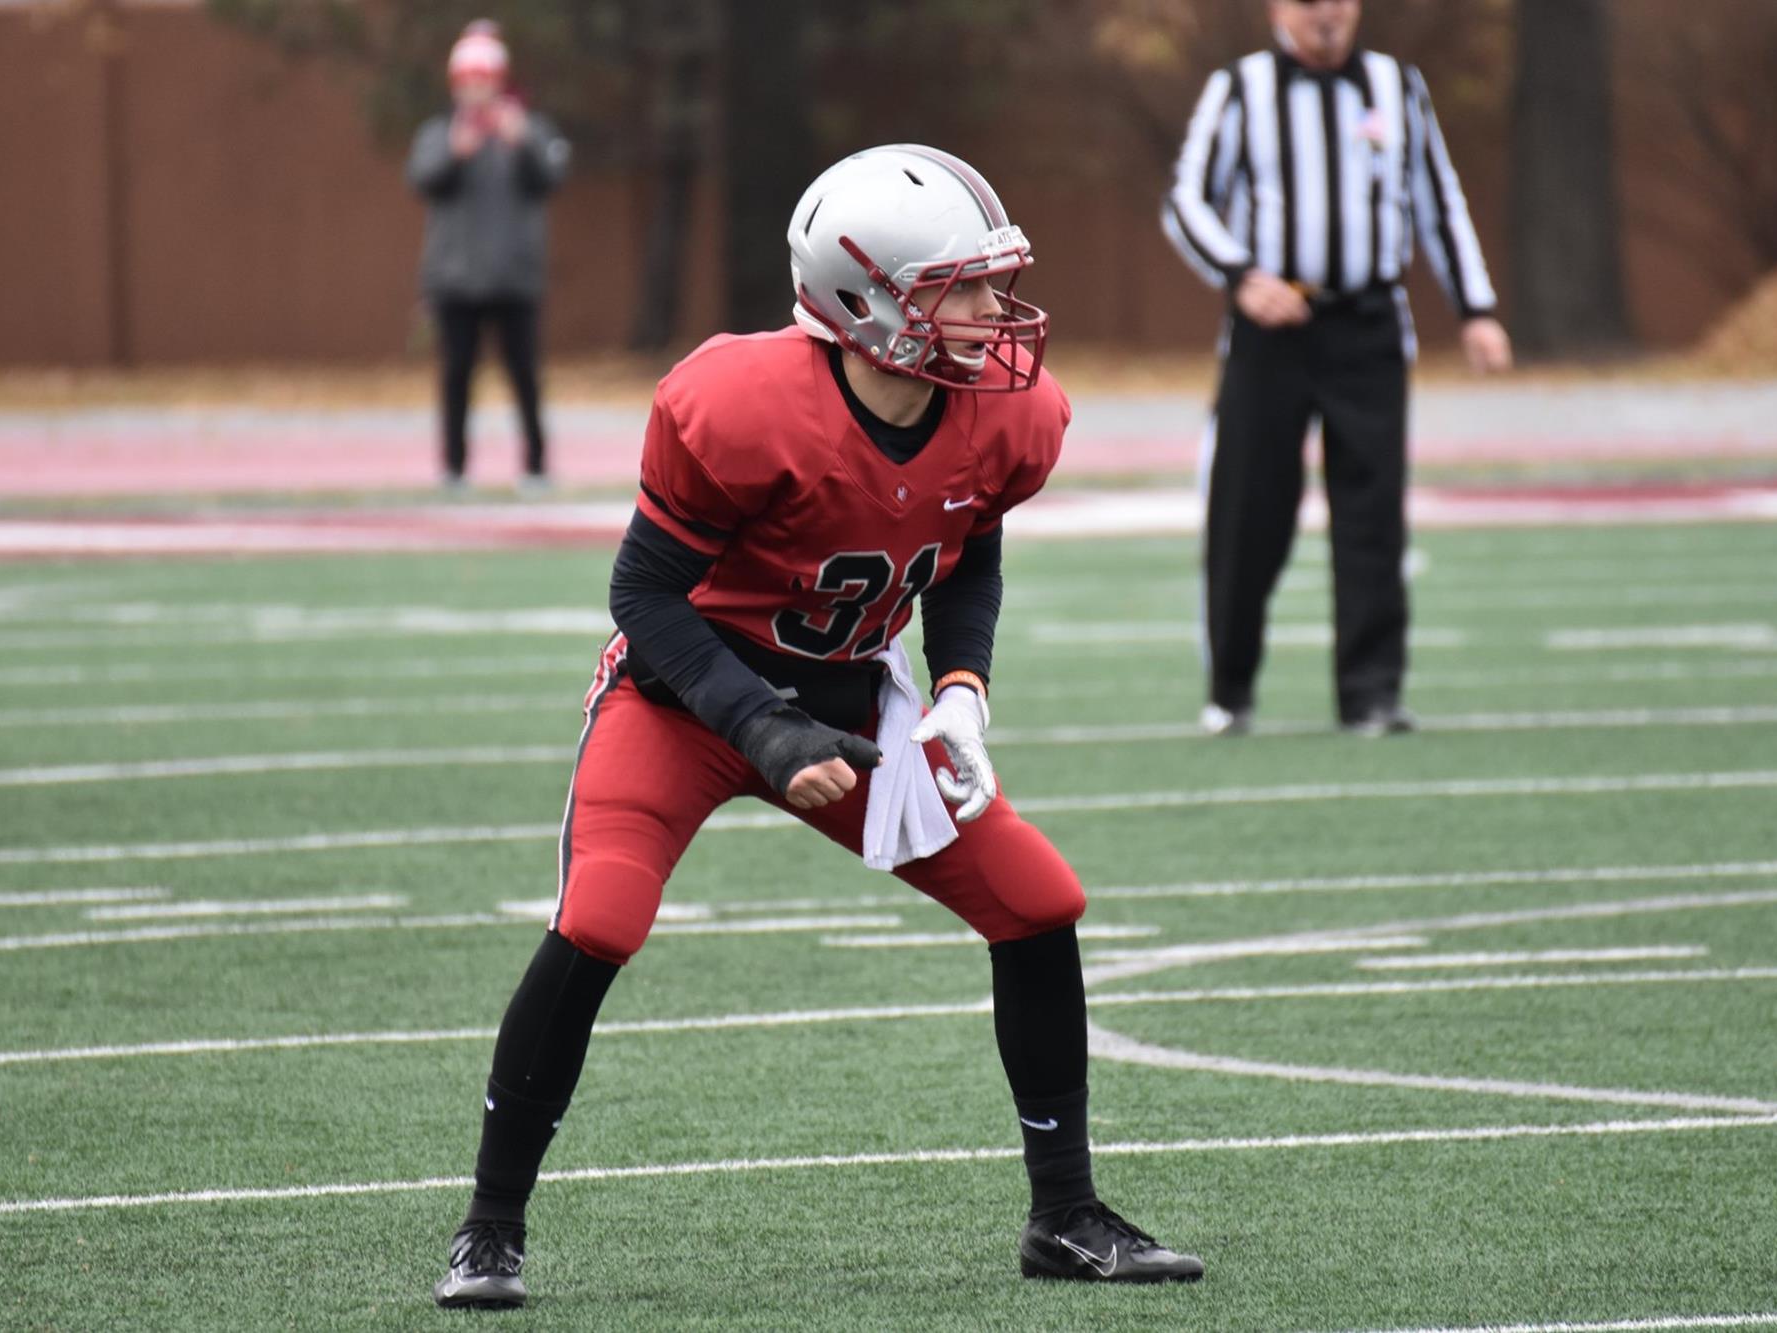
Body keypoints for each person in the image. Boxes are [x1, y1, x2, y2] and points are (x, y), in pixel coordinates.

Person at [432, 143, 1205, 1309]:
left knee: (1037, 900)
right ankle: (490, 1229)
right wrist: (763, 729)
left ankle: (1064, 1214)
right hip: (685, 699)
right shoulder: (740, 403)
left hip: (850, 705)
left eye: (993, 282)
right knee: (601, 917)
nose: (994, 310)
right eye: (963, 285)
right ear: (869, 302)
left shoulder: (1003, 416)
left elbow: (965, 550)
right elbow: (643, 600)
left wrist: (957, 689)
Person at [1162, 0, 1512, 737]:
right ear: (1278, 9)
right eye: (1310, 1)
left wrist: (1476, 309)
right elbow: (1186, 200)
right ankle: (1232, 688)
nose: (1327, 15)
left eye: (1340, 1)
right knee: (1250, 509)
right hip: (1273, 327)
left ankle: (1371, 692)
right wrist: (1241, 275)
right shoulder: (1241, 86)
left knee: (1374, 511)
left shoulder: (1398, 85)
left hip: (1369, 325)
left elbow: (1438, 200)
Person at [406, 20, 572, 494]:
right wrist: (455, 155)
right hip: (455, 282)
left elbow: (552, 176)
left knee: (525, 377)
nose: (477, 91)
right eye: (468, 82)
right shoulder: (441, 134)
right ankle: (454, 468)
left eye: (484, 80)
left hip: (514, 280)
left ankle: (536, 466)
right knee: (456, 377)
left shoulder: (528, 130)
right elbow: (421, 178)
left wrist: (522, 144)